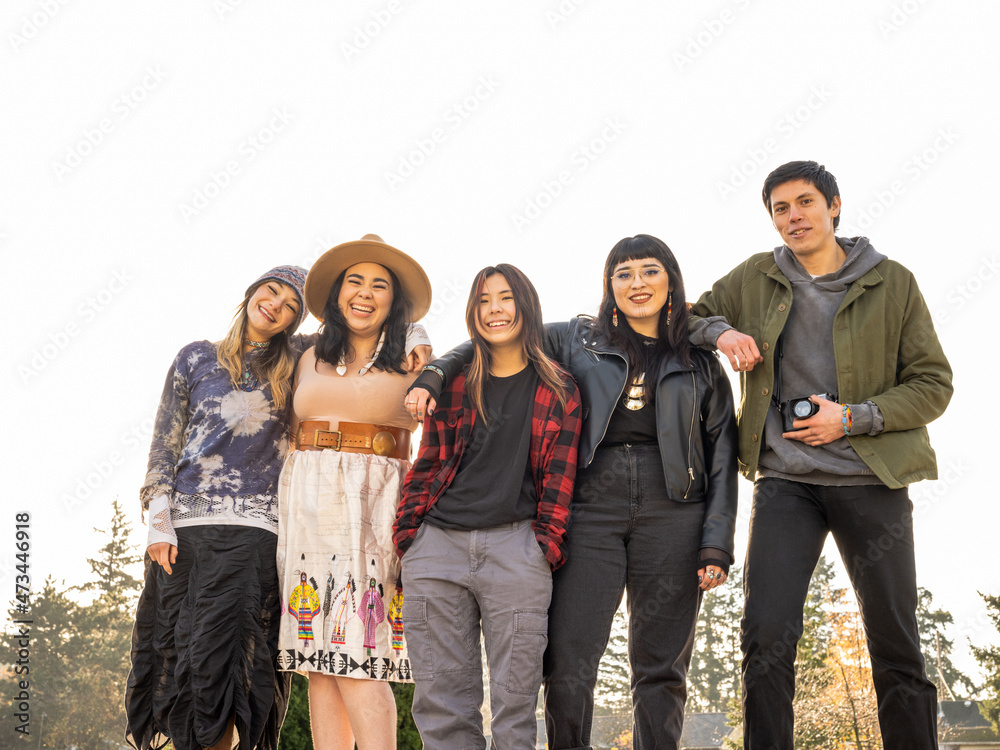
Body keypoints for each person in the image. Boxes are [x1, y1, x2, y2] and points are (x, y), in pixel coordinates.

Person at [407, 237, 738, 749]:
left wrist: (716, 543)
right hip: (589, 503)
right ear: (609, 285)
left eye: (650, 271)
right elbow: (493, 337)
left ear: (670, 280)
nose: (637, 284)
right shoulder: (575, 339)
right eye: (623, 273)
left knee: (662, 665)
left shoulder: (699, 359)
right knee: (568, 660)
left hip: (674, 509)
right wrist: (433, 372)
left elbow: (720, 453)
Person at [689, 160, 953, 749]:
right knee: (765, 635)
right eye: (780, 209)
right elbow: (686, 316)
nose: (793, 217)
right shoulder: (755, 276)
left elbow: (934, 384)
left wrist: (854, 418)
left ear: (834, 205)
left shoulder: (893, 281)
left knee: (895, 642)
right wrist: (721, 334)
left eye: (804, 202)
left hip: (871, 483)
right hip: (787, 484)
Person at [393, 264, 583, 750]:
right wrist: (409, 536)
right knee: (442, 702)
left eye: (505, 298)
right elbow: (427, 460)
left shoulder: (560, 389)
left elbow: (560, 481)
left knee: (514, 704)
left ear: (526, 305)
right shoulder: (453, 383)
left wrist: (543, 547)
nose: (494, 310)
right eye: (483, 300)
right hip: (436, 549)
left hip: (516, 549)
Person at [126, 265, 308, 750]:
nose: (277, 305)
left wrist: (414, 332)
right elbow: (165, 444)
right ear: (253, 290)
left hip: (255, 533)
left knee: (234, 675)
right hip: (185, 534)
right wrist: (159, 523)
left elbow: (364, 331)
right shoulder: (195, 357)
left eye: (292, 306)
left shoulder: (302, 359)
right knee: (180, 668)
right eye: (273, 291)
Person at [275, 234, 432, 750]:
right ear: (338, 294)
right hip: (306, 501)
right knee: (318, 661)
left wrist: (417, 332)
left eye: (379, 285)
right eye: (354, 282)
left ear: (396, 300)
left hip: (374, 500)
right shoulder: (307, 354)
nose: (364, 293)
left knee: (361, 652)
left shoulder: (417, 359)